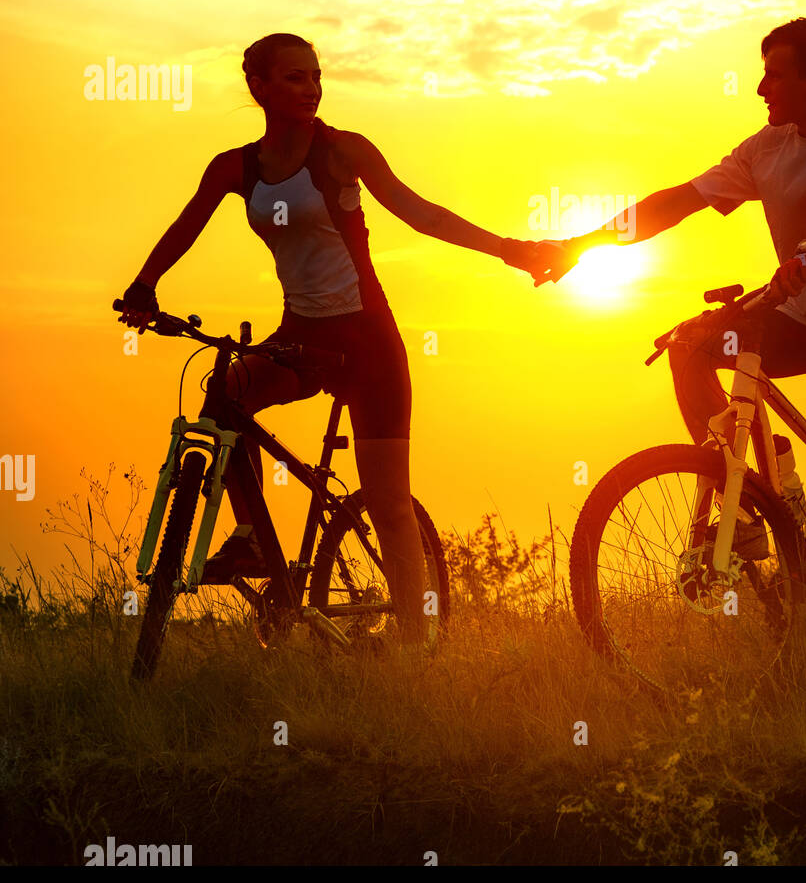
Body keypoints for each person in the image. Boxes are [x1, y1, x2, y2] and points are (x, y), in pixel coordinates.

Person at [118, 33, 547, 647]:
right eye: (295, 77)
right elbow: (186, 224)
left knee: (388, 504)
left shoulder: (344, 153)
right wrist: (143, 286)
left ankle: (415, 650)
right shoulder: (235, 167)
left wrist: (512, 251)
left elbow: (418, 211)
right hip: (300, 335)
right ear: (258, 87)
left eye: (316, 76)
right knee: (225, 394)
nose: (311, 88)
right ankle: (249, 538)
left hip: (367, 342)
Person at [534, 17, 806, 641]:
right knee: (690, 347)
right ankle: (752, 494)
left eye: (774, 74)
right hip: (798, 315)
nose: (759, 87)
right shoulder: (766, 146)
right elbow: (678, 200)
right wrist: (585, 245)